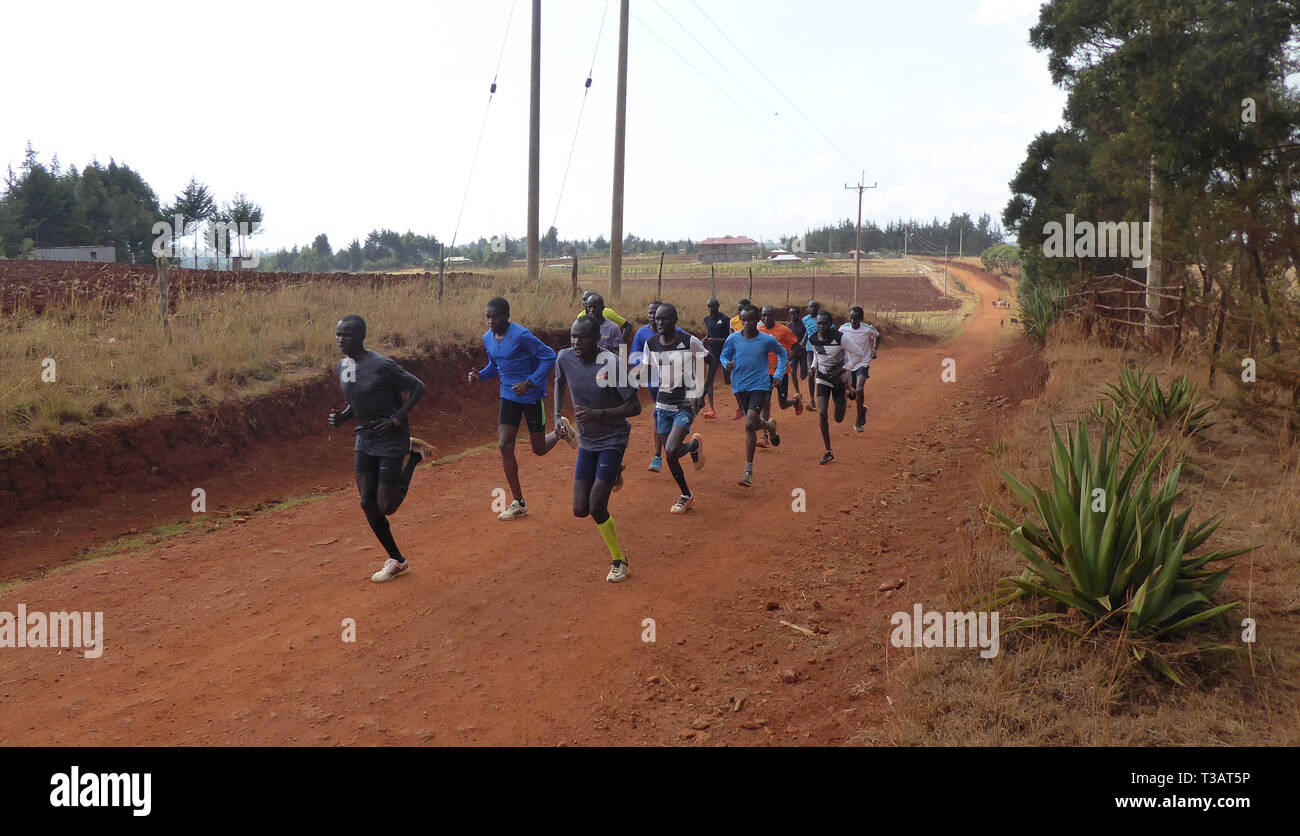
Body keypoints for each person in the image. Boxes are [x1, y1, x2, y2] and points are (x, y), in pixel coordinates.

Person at [330, 314, 433, 582]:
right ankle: (397, 560)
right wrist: (342, 416)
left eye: (347, 334)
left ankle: (413, 458)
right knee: (367, 502)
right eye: (338, 334)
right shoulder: (344, 366)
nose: (341, 339)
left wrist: (396, 419)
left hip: (391, 436)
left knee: (386, 506)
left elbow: (418, 387)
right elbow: (359, 400)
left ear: (362, 335)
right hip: (364, 436)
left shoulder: (382, 366)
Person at [553, 316, 642, 583]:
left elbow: (635, 407)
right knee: (579, 509)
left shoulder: (612, 364)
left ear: (598, 339)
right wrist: (558, 415)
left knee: (596, 505)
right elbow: (558, 382)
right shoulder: (564, 357)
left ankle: (619, 560)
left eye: (583, 337)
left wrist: (600, 413)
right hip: (587, 440)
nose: (576, 342)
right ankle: (614, 474)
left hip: (613, 437)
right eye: (573, 336)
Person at [467, 296, 569, 521]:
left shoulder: (522, 336)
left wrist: (530, 382)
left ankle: (561, 432)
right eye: (488, 317)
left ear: (507, 316)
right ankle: (519, 502)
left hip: (531, 396)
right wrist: (479, 376)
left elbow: (549, 357)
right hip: (509, 396)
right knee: (504, 445)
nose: (491, 321)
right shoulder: (488, 338)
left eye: (495, 316)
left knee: (539, 448)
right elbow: (495, 367)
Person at [644, 303, 709, 513]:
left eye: (665, 319)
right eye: (657, 319)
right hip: (662, 405)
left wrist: (701, 390)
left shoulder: (689, 341)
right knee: (670, 455)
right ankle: (686, 494)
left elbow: (712, 361)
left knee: (671, 450)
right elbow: (645, 373)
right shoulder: (651, 343)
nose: (660, 322)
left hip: (685, 403)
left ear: (675, 320)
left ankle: (692, 446)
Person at [720, 305, 788, 487]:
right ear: (740, 320)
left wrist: (779, 374)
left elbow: (782, 354)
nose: (747, 323)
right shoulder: (733, 339)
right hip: (739, 386)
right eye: (744, 320)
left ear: (757, 320)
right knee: (754, 421)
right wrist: (727, 364)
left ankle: (748, 470)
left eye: (751, 320)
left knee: (749, 423)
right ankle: (769, 426)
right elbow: (724, 355)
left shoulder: (767, 339)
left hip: (760, 385)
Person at [807, 310, 852, 464]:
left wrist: (844, 369)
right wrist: (813, 367)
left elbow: (854, 354)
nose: (820, 326)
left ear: (830, 323)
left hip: (838, 379)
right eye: (818, 323)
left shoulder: (839, 338)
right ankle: (828, 451)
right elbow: (816, 355)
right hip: (822, 377)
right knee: (822, 413)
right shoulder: (813, 338)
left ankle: (845, 395)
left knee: (838, 418)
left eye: (824, 323)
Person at [758, 305, 804, 446]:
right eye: (764, 315)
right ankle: (764, 435)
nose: (766, 318)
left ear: (774, 316)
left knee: (783, 404)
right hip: (765, 373)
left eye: (769, 315)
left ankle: (795, 401)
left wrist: (788, 360)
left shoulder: (784, 331)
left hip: (781, 373)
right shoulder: (759, 331)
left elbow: (796, 347)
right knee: (765, 402)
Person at [629, 301, 666, 472]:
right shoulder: (642, 333)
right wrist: (644, 362)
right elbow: (633, 355)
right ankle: (657, 456)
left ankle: (690, 446)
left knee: (668, 418)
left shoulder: (677, 332)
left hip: (674, 382)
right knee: (659, 414)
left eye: (656, 314)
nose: (652, 317)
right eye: (650, 313)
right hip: (652, 381)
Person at [839, 306, 880, 432]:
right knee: (852, 393)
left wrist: (874, 350)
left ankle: (858, 421)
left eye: (855, 319)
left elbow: (878, 336)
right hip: (849, 364)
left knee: (859, 388)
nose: (852, 321)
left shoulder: (867, 329)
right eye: (851, 318)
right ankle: (862, 409)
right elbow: (838, 341)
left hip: (863, 362)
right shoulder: (843, 328)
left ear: (861, 319)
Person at [701, 298, 730, 418]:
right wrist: (706, 339)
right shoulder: (707, 319)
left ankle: (742, 405)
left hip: (725, 352)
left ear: (718, 306)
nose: (710, 309)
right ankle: (711, 409)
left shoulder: (725, 319)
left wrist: (714, 340)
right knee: (709, 380)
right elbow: (709, 333)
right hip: (713, 353)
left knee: (728, 379)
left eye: (712, 306)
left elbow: (729, 339)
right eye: (708, 307)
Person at [727, 298, 752, 419]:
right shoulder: (733, 321)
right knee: (734, 380)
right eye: (738, 310)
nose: (740, 312)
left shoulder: (756, 322)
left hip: (752, 357)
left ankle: (754, 407)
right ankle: (741, 407)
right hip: (737, 357)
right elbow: (731, 338)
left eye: (742, 309)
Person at [801, 300, 822, 412]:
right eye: (810, 306)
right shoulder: (805, 319)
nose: (812, 308)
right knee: (811, 373)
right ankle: (812, 400)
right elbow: (807, 331)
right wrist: (803, 341)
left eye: (815, 306)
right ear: (808, 308)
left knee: (821, 374)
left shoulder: (822, 318)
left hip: (822, 349)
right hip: (810, 349)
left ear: (818, 308)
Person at [785, 305, 808, 403]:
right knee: (793, 371)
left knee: (803, 374)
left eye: (794, 313)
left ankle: (805, 374)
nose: (792, 316)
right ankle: (798, 392)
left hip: (803, 352)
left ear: (798, 314)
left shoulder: (803, 324)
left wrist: (803, 342)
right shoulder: (789, 326)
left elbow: (808, 333)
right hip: (793, 352)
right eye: (791, 314)